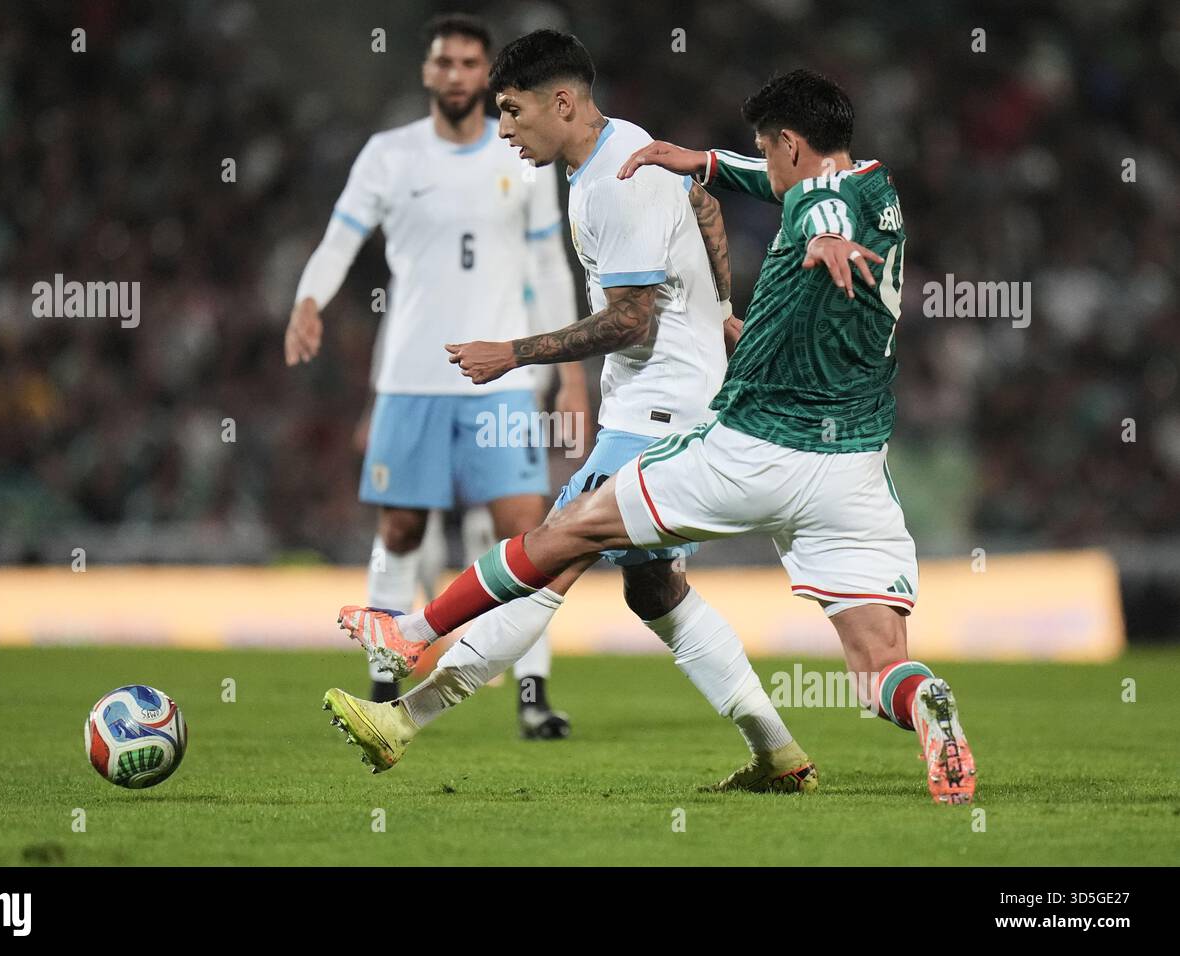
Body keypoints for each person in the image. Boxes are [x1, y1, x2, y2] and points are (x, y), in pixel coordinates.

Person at [335, 66, 978, 805]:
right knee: (872, 666)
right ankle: (911, 710)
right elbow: (783, 186)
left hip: (746, 447)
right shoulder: (874, 184)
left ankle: (411, 640)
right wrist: (705, 165)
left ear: (793, 146)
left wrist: (824, 238)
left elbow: (812, 212)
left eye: (767, 151)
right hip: (854, 471)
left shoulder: (819, 207)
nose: (765, 166)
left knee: (567, 533)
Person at [286, 14, 585, 737]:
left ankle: (532, 692)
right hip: (411, 375)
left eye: (468, 63)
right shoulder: (389, 155)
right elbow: (340, 239)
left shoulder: (521, 155)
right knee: (399, 529)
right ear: (427, 72)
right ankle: (383, 678)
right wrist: (308, 300)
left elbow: (549, 265)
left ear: (486, 75)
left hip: (504, 376)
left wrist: (568, 369)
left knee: (526, 532)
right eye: (443, 62)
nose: (454, 74)